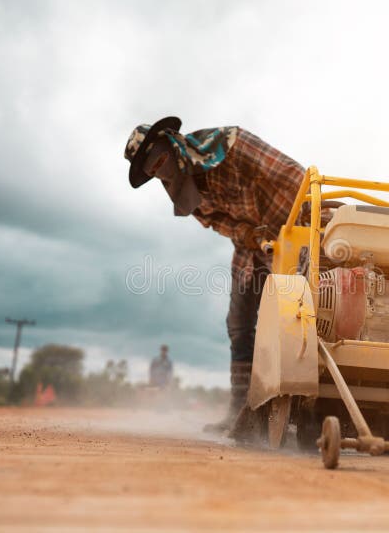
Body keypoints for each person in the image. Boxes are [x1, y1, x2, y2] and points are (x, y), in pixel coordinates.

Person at [123, 117, 304, 432]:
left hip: (297, 232)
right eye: (153, 172)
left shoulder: (231, 145)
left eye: (161, 161)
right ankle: (242, 410)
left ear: (172, 142)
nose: (161, 173)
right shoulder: (187, 196)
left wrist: (296, 231)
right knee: (239, 324)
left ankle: (300, 408)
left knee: (299, 317)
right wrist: (248, 234)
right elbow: (217, 223)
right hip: (254, 246)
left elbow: (293, 177)